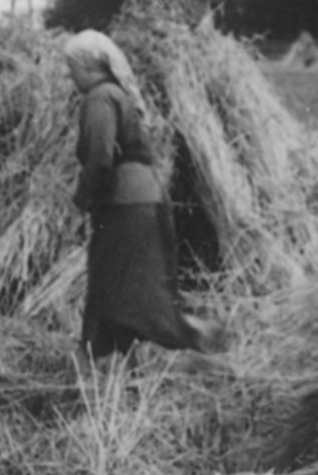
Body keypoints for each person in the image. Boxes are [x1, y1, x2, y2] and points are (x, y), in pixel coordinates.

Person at [63, 30, 225, 361]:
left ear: (86, 65)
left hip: (125, 206)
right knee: (120, 291)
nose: (71, 76)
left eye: (71, 68)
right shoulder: (120, 96)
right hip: (141, 201)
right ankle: (112, 366)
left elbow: (99, 159)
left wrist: (79, 205)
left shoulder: (99, 98)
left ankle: (198, 338)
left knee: (123, 295)